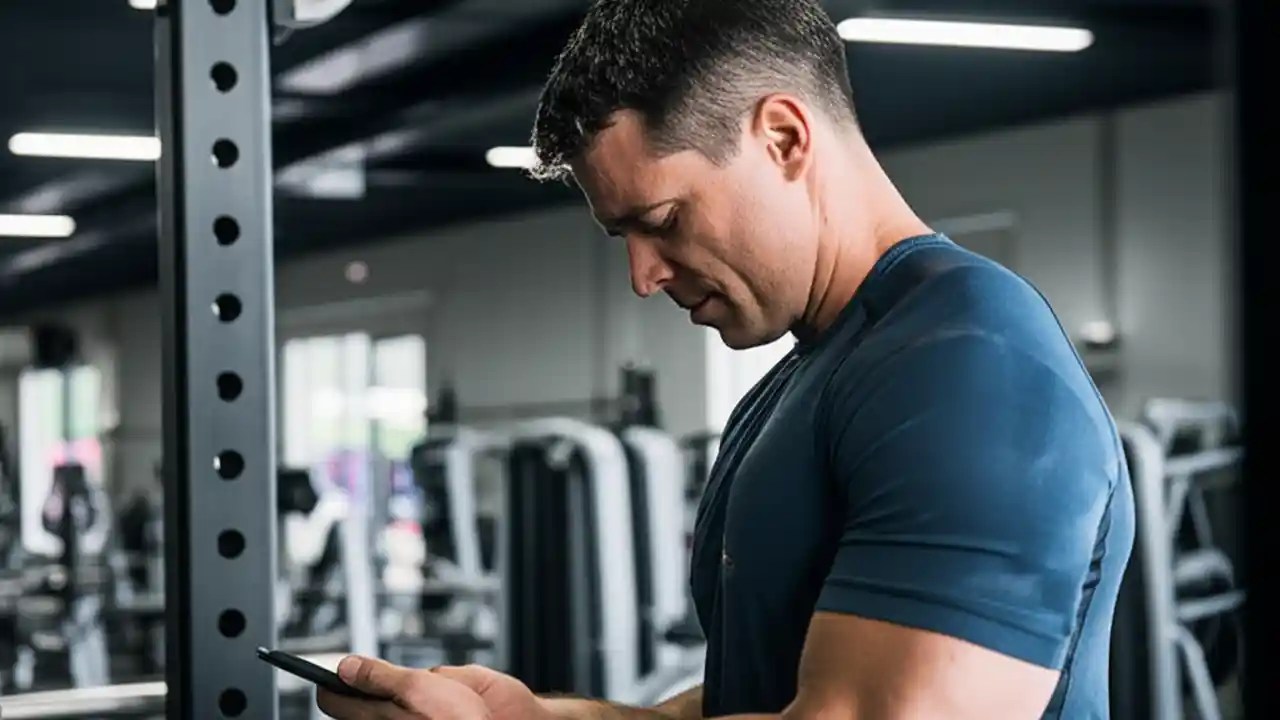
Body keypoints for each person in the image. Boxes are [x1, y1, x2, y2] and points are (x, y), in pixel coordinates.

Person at [317, 0, 1135, 718]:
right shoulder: (799, 381)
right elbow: (763, 695)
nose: (644, 276)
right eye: (623, 239)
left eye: (664, 218)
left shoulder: (968, 362)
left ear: (783, 137)